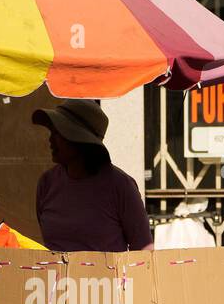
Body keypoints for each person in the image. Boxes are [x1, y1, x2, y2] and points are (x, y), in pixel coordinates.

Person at [29, 100, 153, 252]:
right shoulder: (46, 184)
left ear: (79, 140)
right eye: (51, 132)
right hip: (56, 276)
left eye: (58, 133)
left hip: (107, 276)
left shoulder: (121, 186)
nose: (50, 140)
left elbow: (144, 252)